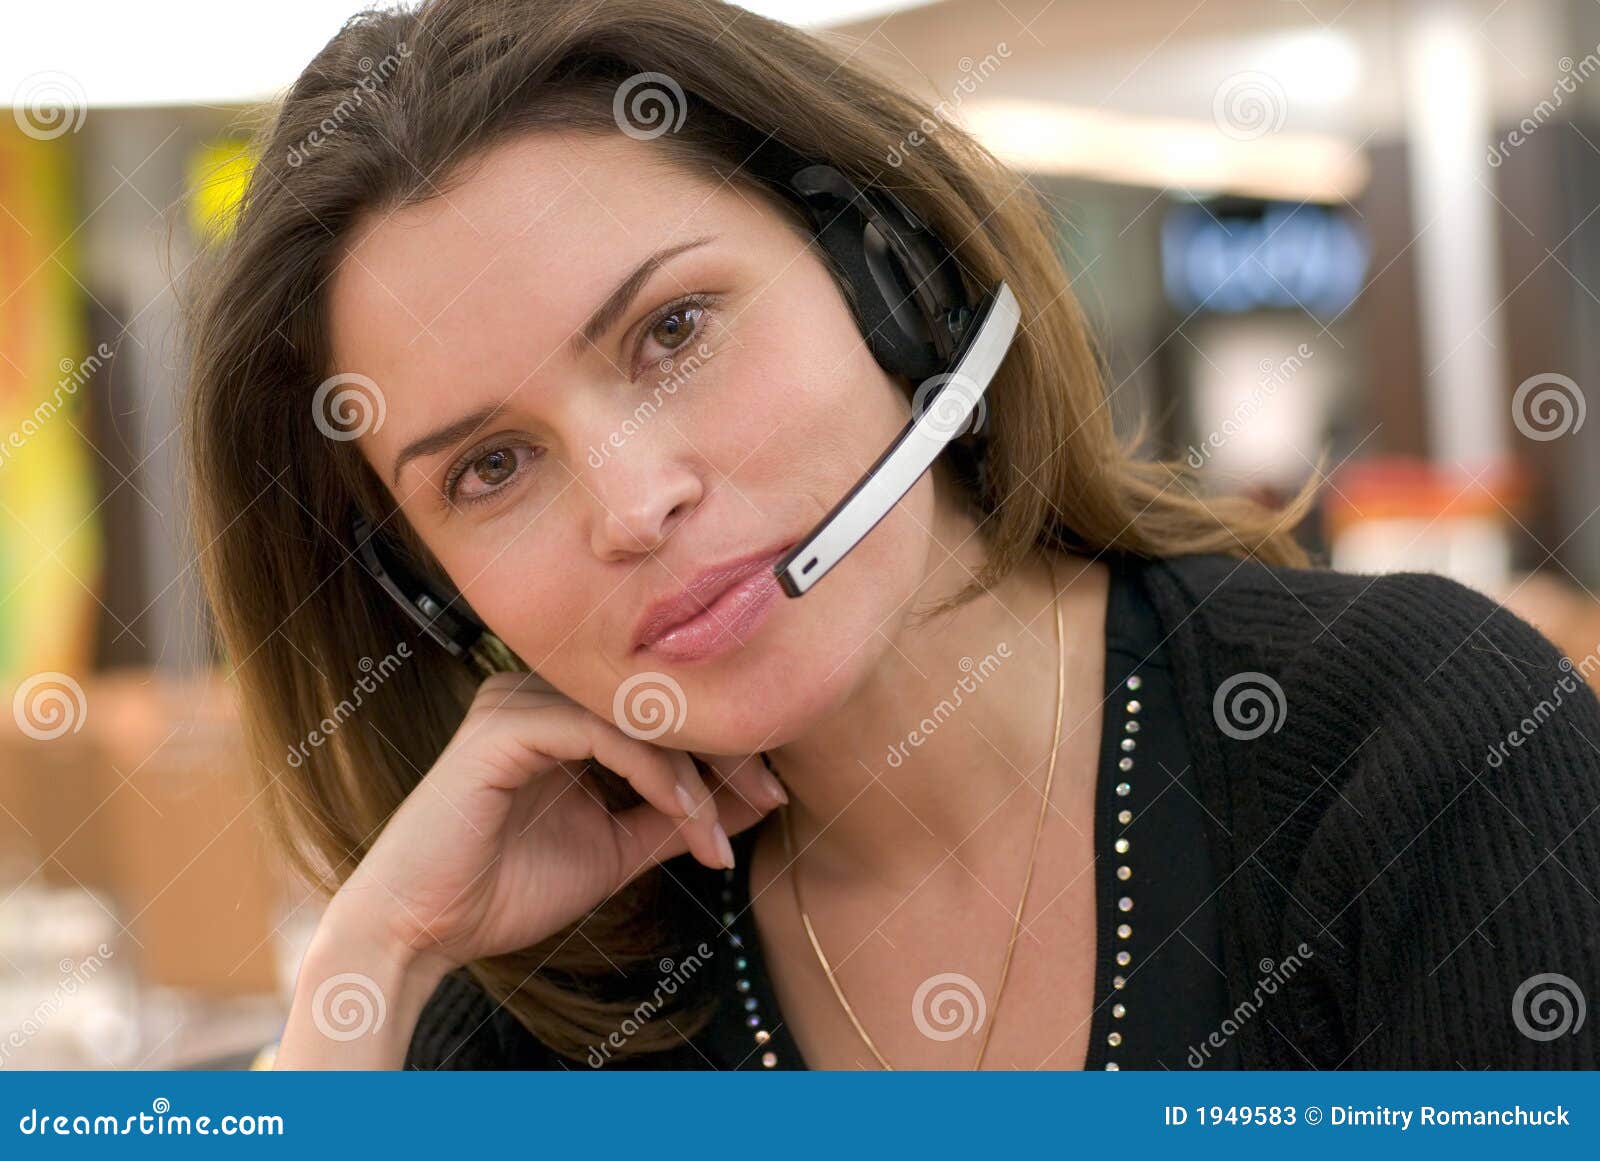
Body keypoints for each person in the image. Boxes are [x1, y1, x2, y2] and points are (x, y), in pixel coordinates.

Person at [182, 0, 1600, 1070]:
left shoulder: (1418, 746)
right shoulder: (538, 1005)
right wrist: (365, 976)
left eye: (672, 331)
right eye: (490, 467)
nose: (631, 505)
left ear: (894, 282)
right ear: (427, 596)